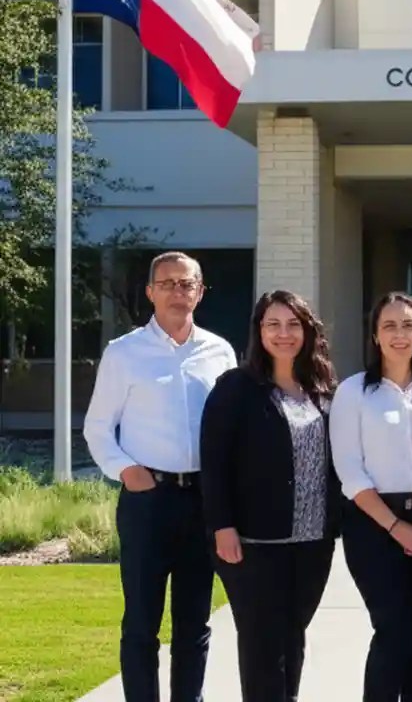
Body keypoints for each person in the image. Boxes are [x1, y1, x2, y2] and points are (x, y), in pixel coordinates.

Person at [83, 250, 238, 702]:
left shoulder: (220, 352)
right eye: (167, 283)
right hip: (148, 501)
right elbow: (96, 427)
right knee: (141, 623)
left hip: (202, 501)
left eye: (186, 283)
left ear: (200, 292)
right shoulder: (124, 353)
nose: (177, 291)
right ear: (150, 292)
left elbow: (229, 428)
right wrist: (127, 471)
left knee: (194, 622)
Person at [200, 290, 341, 702]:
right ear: (259, 331)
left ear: (307, 330)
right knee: (262, 644)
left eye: (293, 324)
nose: (284, 334)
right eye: (273, 325)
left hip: (313, 542)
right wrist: (221, 526)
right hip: (253, 544)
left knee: (293, 636)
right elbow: (214, 463)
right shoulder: (235, 389)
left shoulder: (321, 389)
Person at [330, 292, 412, 701]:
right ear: (375, 336)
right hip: (374, 526)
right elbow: (350, 472)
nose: (400, 334)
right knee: (393, 630)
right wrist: (398, 528)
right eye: (389, 326)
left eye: (408, 325)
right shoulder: (353, 392)